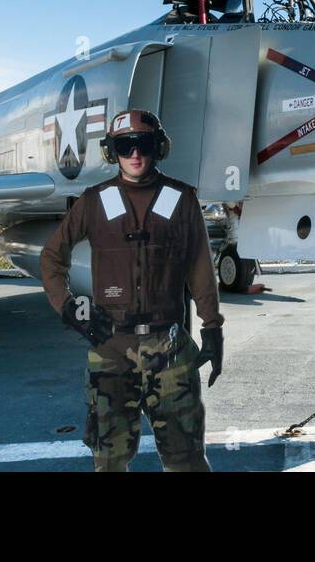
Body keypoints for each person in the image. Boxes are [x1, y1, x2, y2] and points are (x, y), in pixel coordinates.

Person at [40, 108, 223, 472]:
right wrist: (68, 307)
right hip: (111, 349)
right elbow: (51, 258)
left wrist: (212, 328)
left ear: (159, 147)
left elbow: (200, 267)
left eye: (143, 144)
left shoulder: (180, 199)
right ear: (113, 152)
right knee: (108, 461)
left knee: (185, 458)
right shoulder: (95, 201)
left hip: (169, 348)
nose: (135, 154)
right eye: (125, 146)